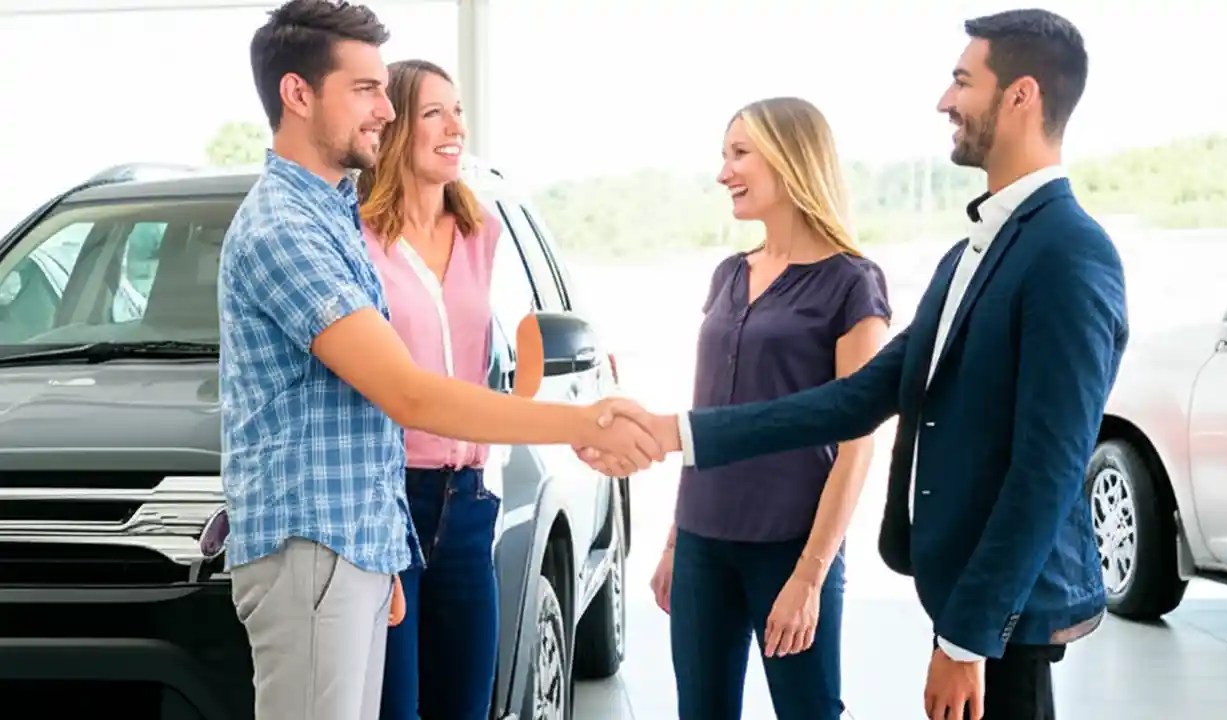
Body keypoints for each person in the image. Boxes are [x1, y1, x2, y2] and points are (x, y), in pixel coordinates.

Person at [588, 9, 1125, 720]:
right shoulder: (972, 253)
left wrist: (966, 642)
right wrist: (675, 432)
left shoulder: (1069, 252)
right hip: (968, 594)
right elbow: (853, 400)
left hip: (1006, 617)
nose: (944, 101)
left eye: (962, 81)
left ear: (1020, 96)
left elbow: (1049, 470)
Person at [217, 3, 659, 719]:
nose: (384, 112)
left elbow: (361, 417)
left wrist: (381, 545)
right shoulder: (284, 229)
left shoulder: (328, 215)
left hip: (354, 542)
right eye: (366, 90)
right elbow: (408, 396)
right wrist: (580, 425)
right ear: (298, 94)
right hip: (313, 548)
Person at [646, 97, 889, 720]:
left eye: (739, 153)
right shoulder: (729, 273)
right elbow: (704, 415)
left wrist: (810, 576)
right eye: (724, 155)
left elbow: (858, 444)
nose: (724, 172)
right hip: (703, 540)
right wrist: (675, 537)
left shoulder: (851, 282)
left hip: (790, 546)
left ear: (791, 159)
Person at [354, 58, 502, 720]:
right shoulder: (357, 240)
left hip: (466, 503)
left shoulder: (481, 232)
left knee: (466, 706)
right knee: (396, 711)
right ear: (392, 130)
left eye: (459, 111)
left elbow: (497, 352)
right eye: (433, 113)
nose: (454, 128)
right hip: (389, 500)